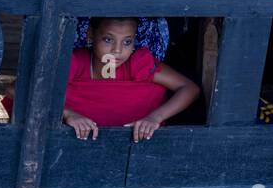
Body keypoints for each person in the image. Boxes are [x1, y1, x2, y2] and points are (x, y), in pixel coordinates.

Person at [62, 17, 200, 143]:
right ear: (90, 34)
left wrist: (154, 118)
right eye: (108, 39)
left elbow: (189, 88)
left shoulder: (139, 64)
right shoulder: (75, 63)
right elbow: (41, 95)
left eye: (127, 42)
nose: (117, 50)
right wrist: (68, 114)